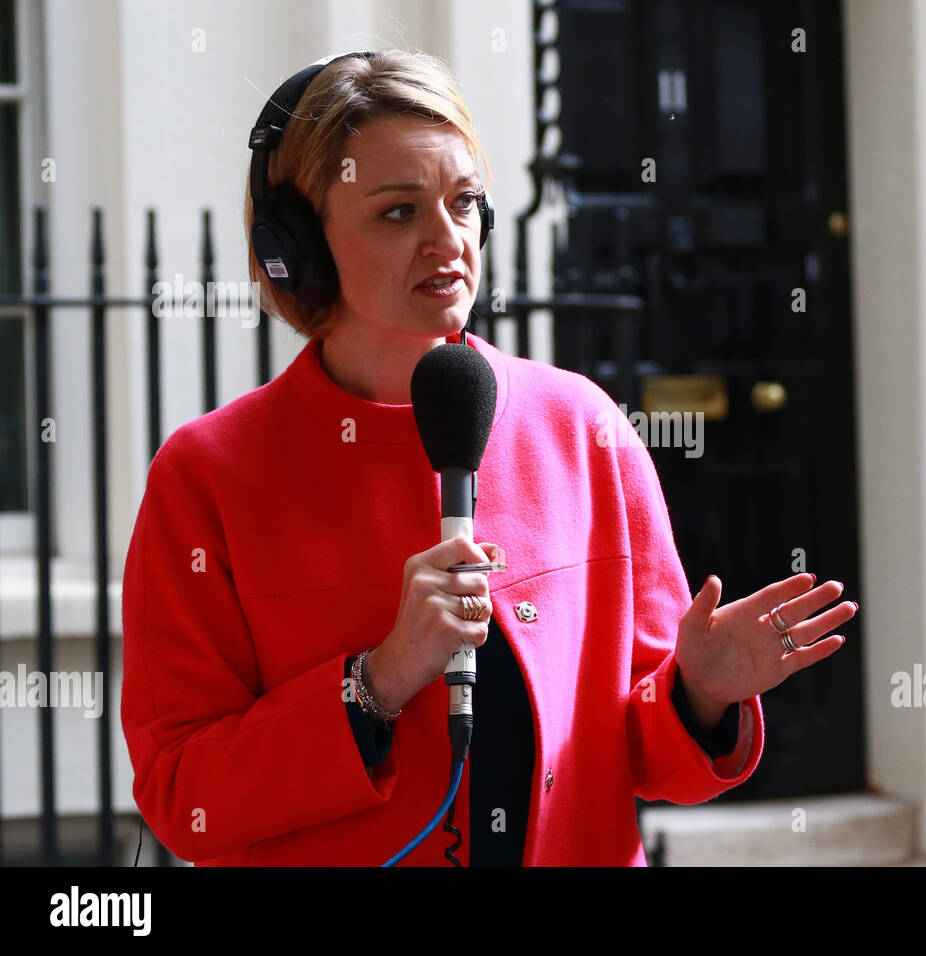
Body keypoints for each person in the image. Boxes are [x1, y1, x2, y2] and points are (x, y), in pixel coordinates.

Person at [119, 49, 857, 866]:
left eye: (465, 202)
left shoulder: (583, 425)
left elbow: (646, 756)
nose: (449, 241)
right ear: (301, 246)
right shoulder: (208, 475)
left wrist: (700, 693)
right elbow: (183, 795)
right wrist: (375, 684)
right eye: (399, 212)